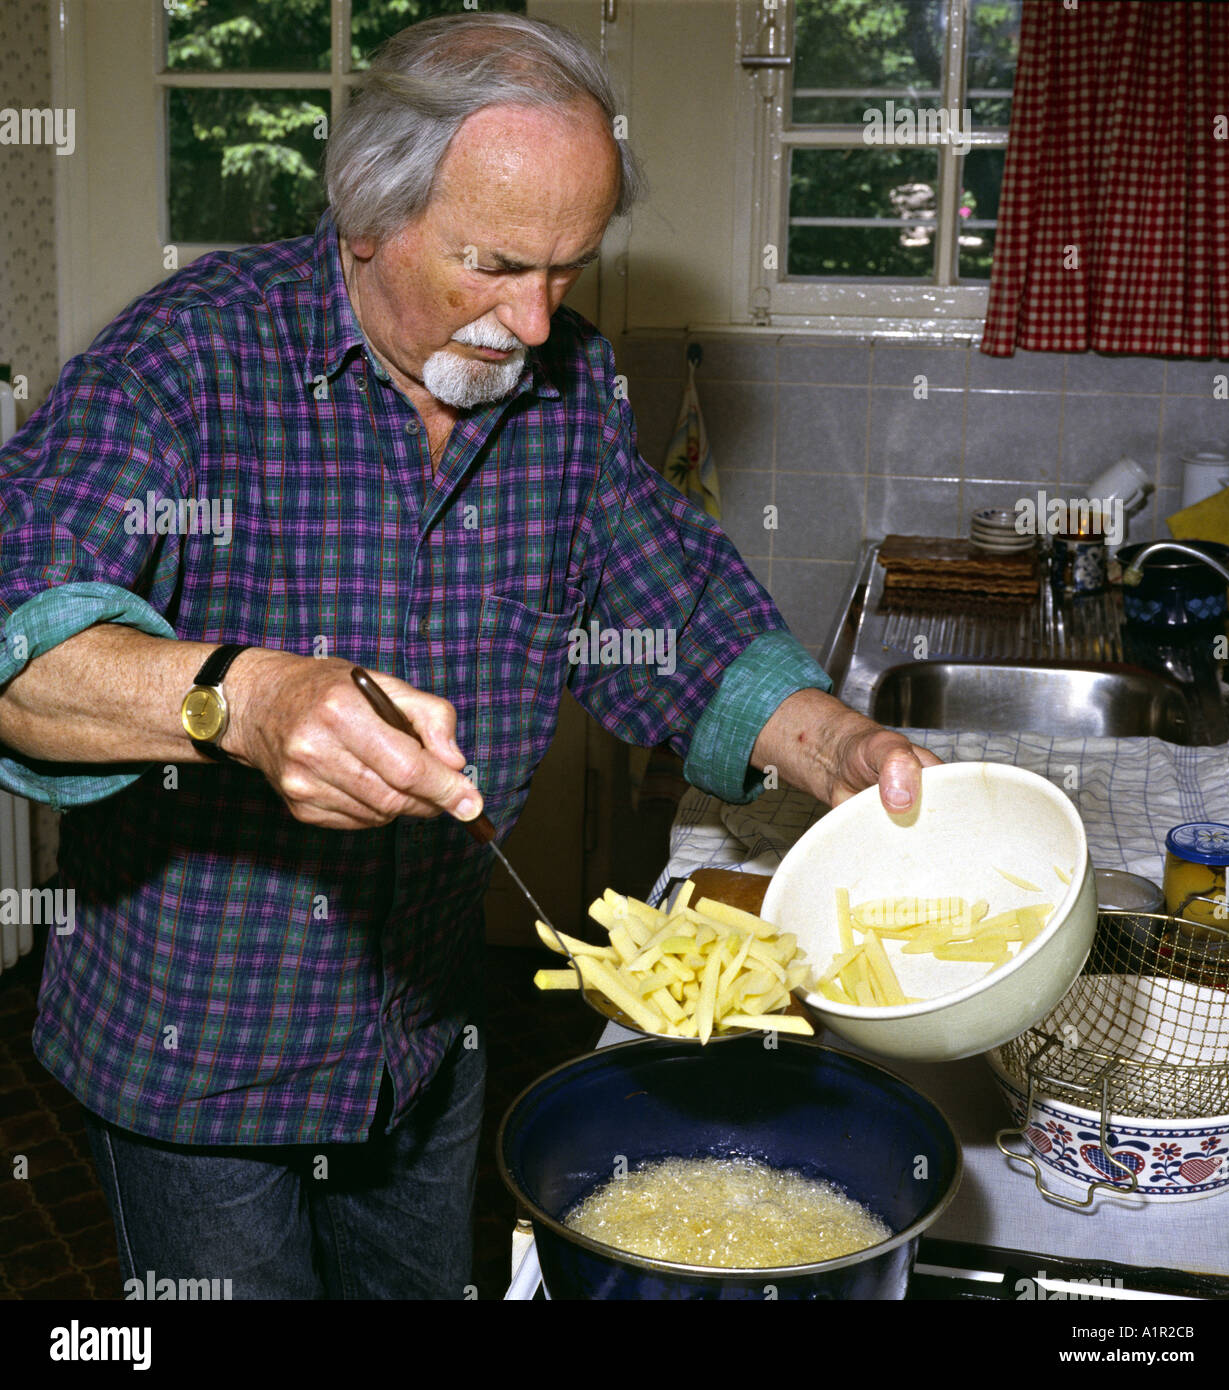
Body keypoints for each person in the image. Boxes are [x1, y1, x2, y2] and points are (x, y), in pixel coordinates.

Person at [0, 13, 935, 1299]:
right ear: (366, 216)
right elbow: (18, 635)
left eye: (567, 268)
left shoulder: (567, 387)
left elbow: (669, 608)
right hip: (196, 1059)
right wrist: (243, 699)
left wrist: (836, 740)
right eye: (491, 263)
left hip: (424, 1037)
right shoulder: (184, 358)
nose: (534, 321)